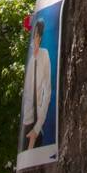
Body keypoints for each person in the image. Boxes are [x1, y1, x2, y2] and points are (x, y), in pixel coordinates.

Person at [21, 19, 52, 149]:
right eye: (33, 36)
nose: (35, 40)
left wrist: (37, 127)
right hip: (24, 121)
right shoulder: (26, 57)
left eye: (38, 36)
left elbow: (47, 91)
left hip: (34, 123)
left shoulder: (44, 55)